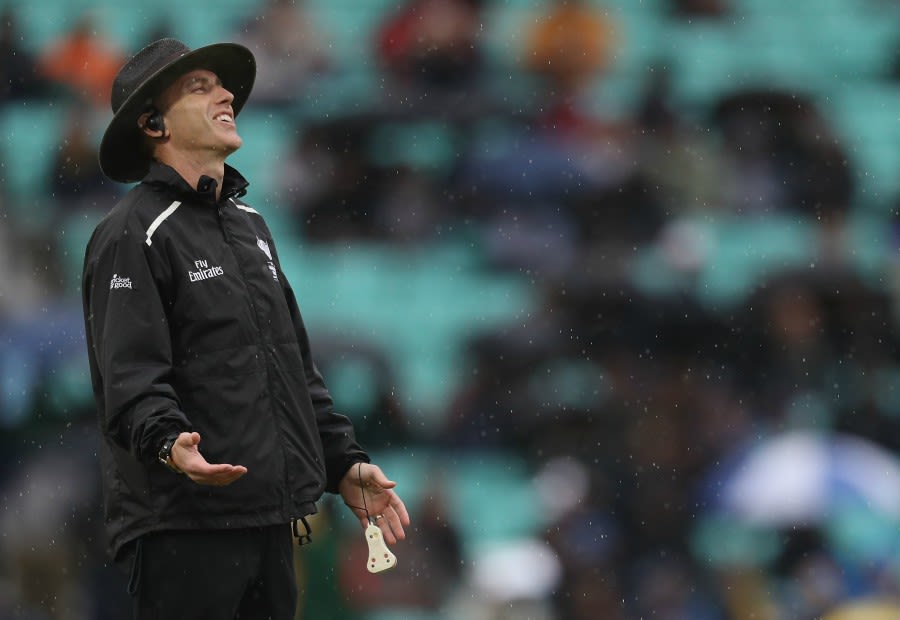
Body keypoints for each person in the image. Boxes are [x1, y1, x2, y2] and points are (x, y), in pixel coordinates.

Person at [81, 38, 410, 619]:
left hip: (272, 522)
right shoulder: (133, 232)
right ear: (152, 123)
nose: (228, 94)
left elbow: (294, 371)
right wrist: (168, 442)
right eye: (200, 87)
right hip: (183, 526)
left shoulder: (253, 226)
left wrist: (343, 463)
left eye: (222, 85)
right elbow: (128, 376)